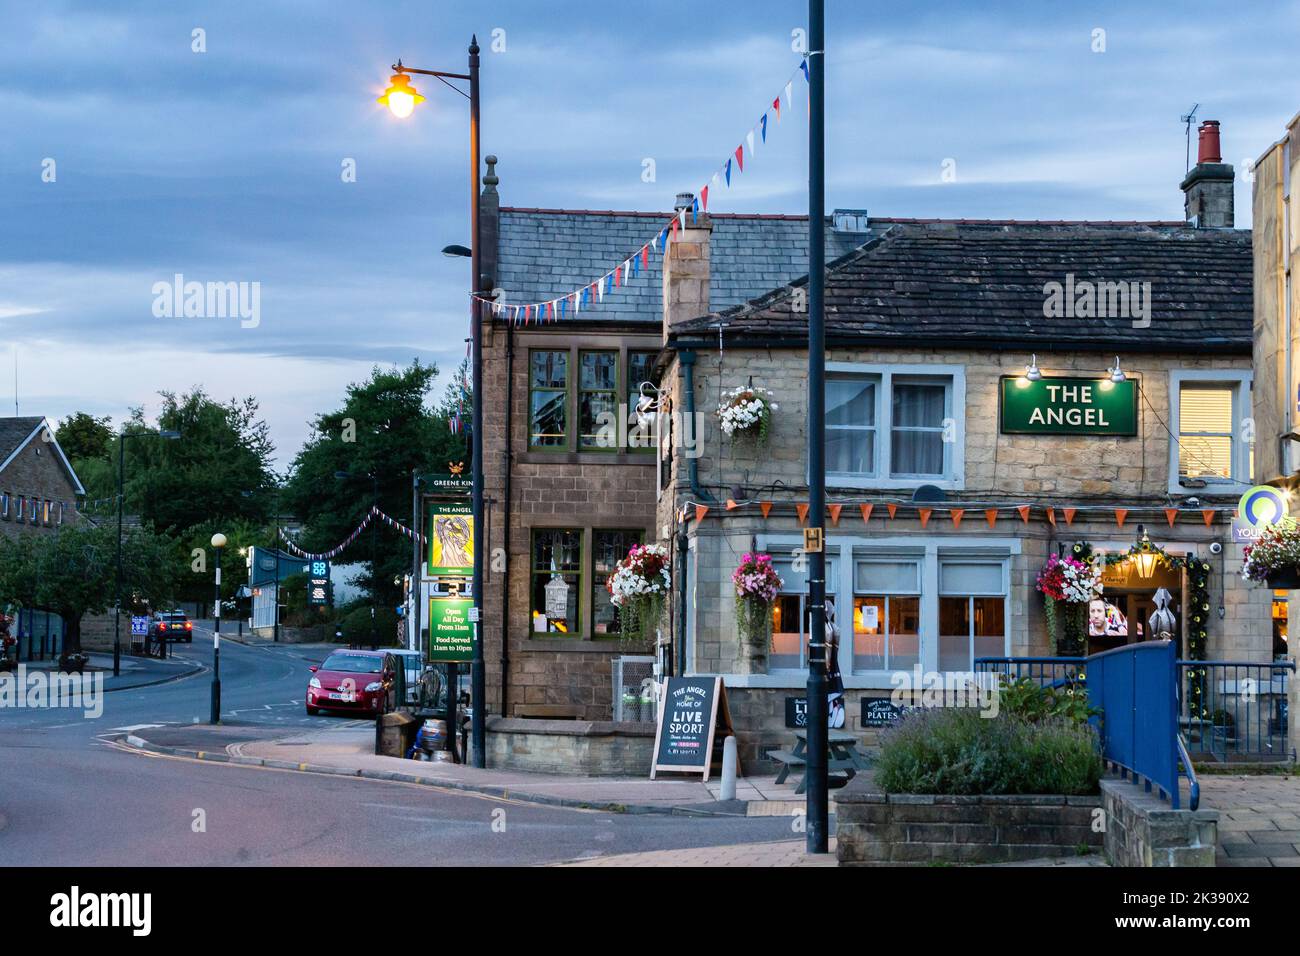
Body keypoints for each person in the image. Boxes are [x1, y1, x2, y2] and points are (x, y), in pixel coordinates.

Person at [825, 598, 845, 728]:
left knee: (829, 692)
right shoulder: (829, 628)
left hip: (829, 666)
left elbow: (830, 651)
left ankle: (833, 710)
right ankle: (833, 710)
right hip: (829, 666)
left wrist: (827, 667)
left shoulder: (831, 628)